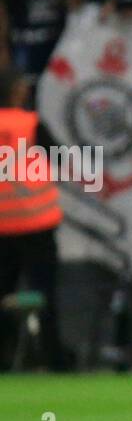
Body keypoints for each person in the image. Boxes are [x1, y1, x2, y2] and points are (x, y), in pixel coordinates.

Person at [0, 68, 63, 370]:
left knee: (3, 295)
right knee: (45, 293)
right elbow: (60, 158)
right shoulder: (30, 123)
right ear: (17, 93)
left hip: (2, 227)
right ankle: (50, 357)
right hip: (37, 222)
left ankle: (6, 356)